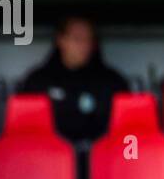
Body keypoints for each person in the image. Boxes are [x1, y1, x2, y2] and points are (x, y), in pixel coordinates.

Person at [18, 16, 128, 145]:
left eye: (88, 39)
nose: (84, 45)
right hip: (49, 158)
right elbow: (26, 134)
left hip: (101, 159)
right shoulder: (38, 81)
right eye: (77, 39)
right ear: (60, 40)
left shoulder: (112, 81)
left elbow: (125, 135)